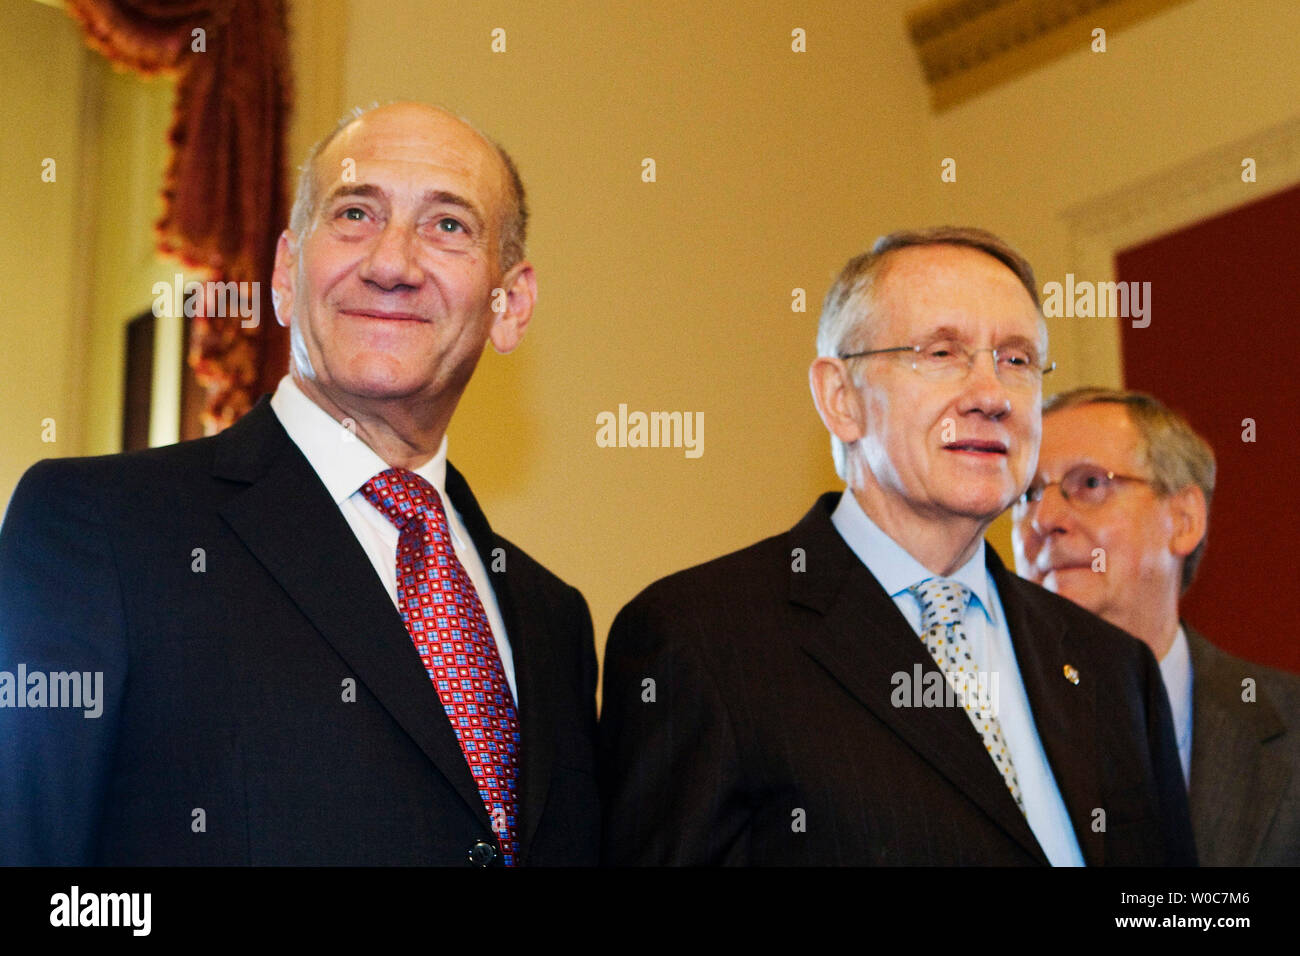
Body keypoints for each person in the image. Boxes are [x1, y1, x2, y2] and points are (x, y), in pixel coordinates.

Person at [0, 102, 599, 866]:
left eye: (448, 225)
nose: (391, 262)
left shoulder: (556, 622)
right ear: (286, 273)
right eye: (355, 213)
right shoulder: (99, 530)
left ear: (509, 305)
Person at [599, 227, 1196, 865]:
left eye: (1017, 360)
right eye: (942, 353)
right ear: (840, 398)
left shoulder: (1114, 670)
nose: (992, 396)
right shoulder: (701, 640)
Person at [1011, 387, 1300, 865]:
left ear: (1184, 519)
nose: (1045, 518)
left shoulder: (1289, 727)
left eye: (1089, 484)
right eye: (1027, 493)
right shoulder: (977, 727)